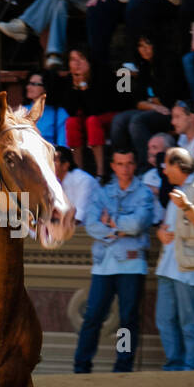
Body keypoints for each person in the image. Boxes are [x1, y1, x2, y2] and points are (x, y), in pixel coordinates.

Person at [73, 149, 154, 374]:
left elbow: (138, 225)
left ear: (135, 164)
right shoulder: (102, 193)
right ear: (112, 166)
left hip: (132, 264)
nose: (125, 168)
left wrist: (111, 222)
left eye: (128, 163)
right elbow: (91, 225)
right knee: (93, 317)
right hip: (104, 264)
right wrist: (120, 229)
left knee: (127, 320)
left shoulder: (144, 193)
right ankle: (81, 366)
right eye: (120, 164)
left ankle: (123, 367)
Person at [155, 146, 194, 370]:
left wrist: (186, 205)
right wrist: (160, 233)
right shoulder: (176, 189)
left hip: (190, 268)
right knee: (164, 319)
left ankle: (193, 368)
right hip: (168, 267)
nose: (164, 171)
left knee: (190, 323)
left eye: (167, 165)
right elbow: (165, 226)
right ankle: (174, 365)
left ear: (178, 165)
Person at [109, 34, 177, 169]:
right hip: (152, 109)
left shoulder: (168, 64)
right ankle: (121, 164)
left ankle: (145, 166)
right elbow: (131, 101)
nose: (144, 50)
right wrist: (126, 78)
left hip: (169, 111)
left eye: (148, 45)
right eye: (141, 46)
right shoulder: (141, 66)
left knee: (136, 121)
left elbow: (165, 100)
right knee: (119, 120)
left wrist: (150, 103)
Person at [57, 46, 116, 180]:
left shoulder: (101, 75)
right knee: (71, 122)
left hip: (106, 116)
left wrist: (84, 86)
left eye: (81, 59)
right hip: (86, 119)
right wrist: (75, 87)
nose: (77, 64)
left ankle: (100, 173)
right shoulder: (68, 80)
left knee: (92, 121)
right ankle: (79, 171)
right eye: (73, 60)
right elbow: (71, 110)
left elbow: (96, 108)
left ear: (89, 62)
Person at [54, 145, 97, 222]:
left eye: (54, 161)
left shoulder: (83, 181)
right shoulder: (53, 182)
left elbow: (77, 218)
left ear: (65, 165)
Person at [24, 72, 68, 147]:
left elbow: (62, 146)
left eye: (34, 84)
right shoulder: (21, 111)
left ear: (46, 88)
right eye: (29, 83)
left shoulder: (59, 113)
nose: (28, 87)